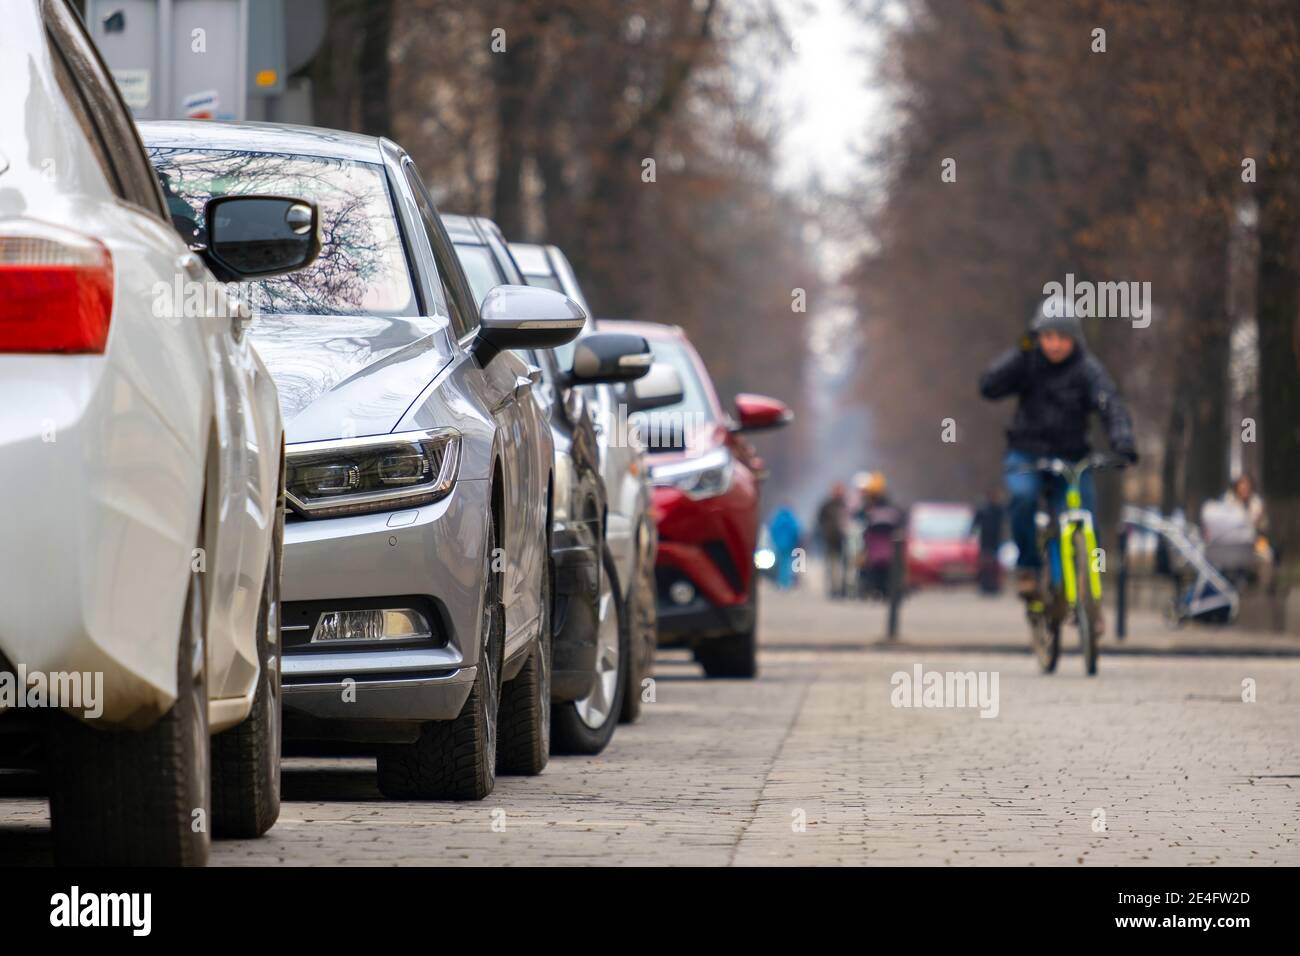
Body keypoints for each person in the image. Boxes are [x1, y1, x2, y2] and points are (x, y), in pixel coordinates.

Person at [979, 296, 1138, 600]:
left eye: (1062, 338)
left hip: (1072, 458)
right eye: (1048, 337)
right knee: (1023, 499)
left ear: (1074, 340)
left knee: (1084, 518)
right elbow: (989, 386)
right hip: (1026, 455)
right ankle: (1027, 568)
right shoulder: (1027, 362)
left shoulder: (1088, 370)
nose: (1054, 345)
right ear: (1038, 337)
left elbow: (1111, 405)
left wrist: (1123, 441)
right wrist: (1020, 352)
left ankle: (1087, 597)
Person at [857, 472, 905, 599]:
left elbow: (863, 525)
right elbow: (900, 523)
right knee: (886, 571)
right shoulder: (892, 510)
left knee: (874, 570)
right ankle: (884, 590)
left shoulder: (870, 511)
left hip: (875, 551)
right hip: (888, 550)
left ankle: (874, 589)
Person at [814, 482, 849, 597]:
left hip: (845, 540)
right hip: (831, 540)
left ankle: (842, 588)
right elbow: (819, 520)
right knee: (832, 565)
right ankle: (834, 588)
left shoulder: (846, 505)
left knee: (844, 566)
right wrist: (826, 531)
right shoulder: (827, 505)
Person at [970, 488, 1006, 595]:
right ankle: (985, 585)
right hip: (985, 540)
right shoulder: (983, 510)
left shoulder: (998, 509)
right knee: (986, 564)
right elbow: (975, 523)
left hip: (995, 541)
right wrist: (971, 533)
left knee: (994, 565)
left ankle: (994, 586)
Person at [768, 506, 802, 590]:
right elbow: (796, 531)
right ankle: (786, 582)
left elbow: (772, 531)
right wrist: (795, 541)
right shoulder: (791, 520)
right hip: (789, 545)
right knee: (787, 564)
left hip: (779, 545)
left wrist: (775, 541)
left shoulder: (777, 520)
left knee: (779, 564)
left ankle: (780, 581)